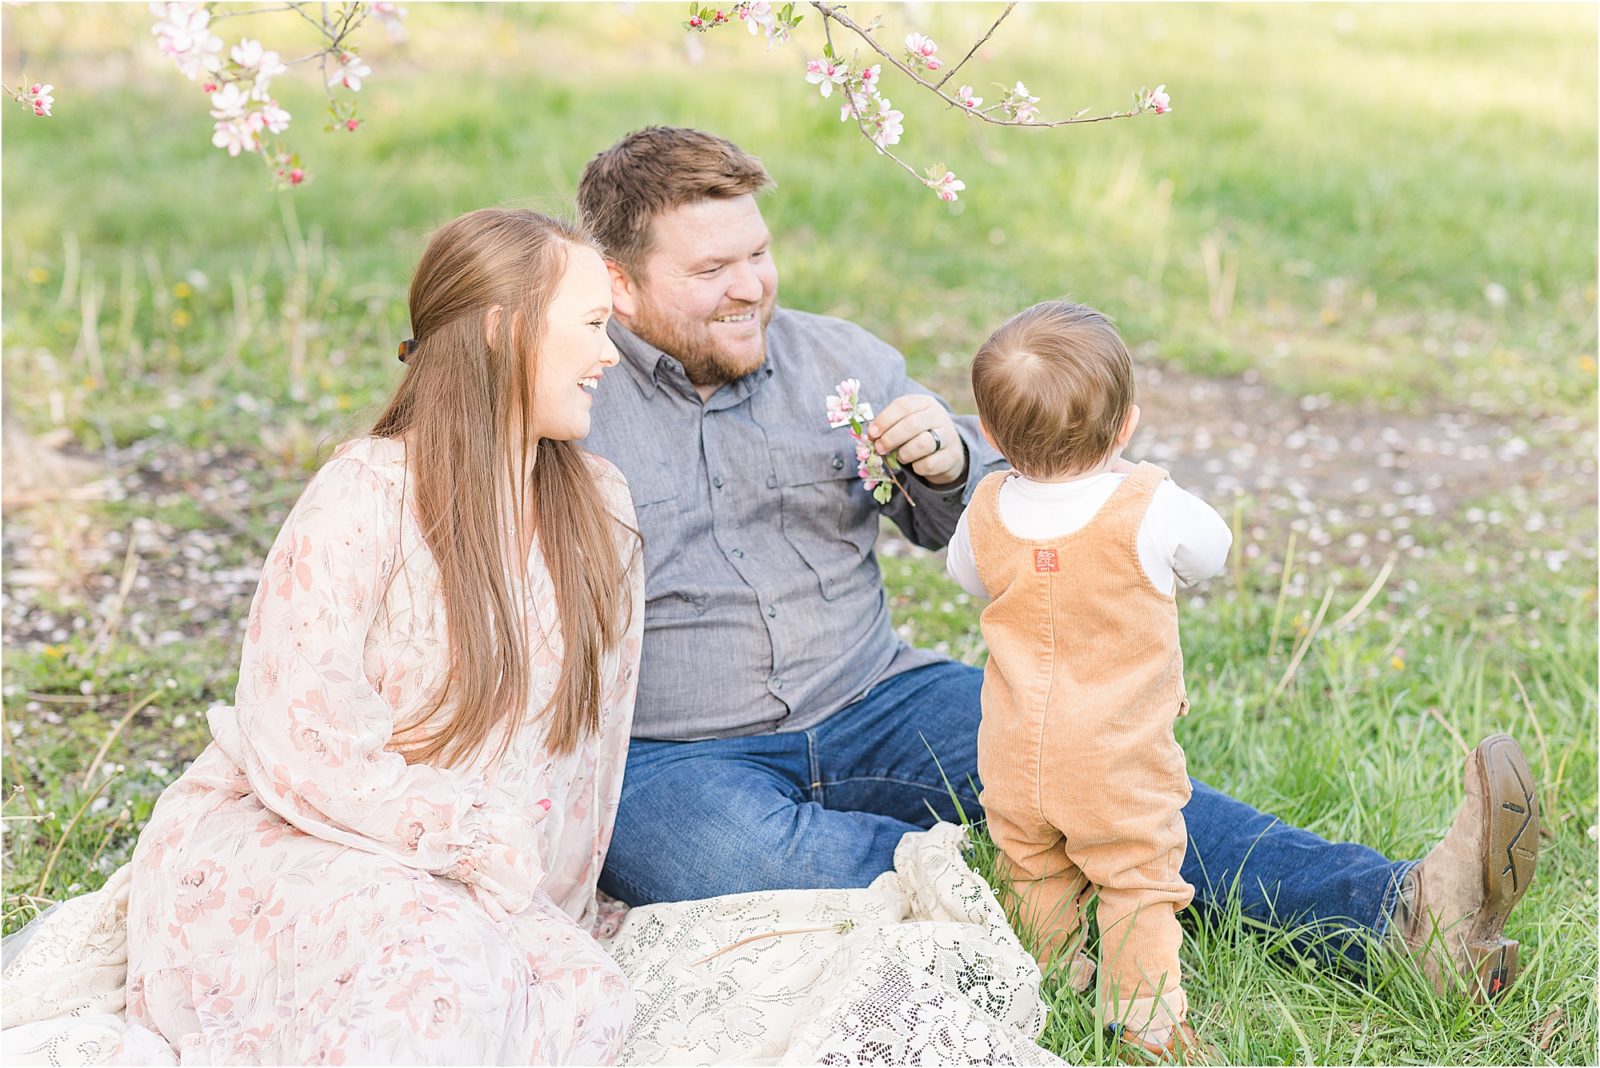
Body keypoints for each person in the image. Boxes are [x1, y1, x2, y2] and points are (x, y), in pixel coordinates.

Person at [575, 126, 1540, 1004]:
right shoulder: (570, 399)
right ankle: (1043, 906)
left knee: (1107, 775)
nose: (751, 286)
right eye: (712, 269)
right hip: (675, 749)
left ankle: (1406, 918)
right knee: (711, 859)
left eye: (758, 253)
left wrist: (951, 463)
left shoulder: (841, 360)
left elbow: (1009, 502)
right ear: (619, 283)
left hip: (878, 695)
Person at [120, 209, 644, 1065]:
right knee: (430, 974)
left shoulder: (602, 511)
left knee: (585, 996)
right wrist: (469, 836)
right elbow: (300, 740)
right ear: (503, 331)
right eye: (591, 326)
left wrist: (552, 903)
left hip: (471, 876)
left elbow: (591, 752)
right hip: (308, 836)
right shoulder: (365, 494)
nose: (610, 355)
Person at [944, 300, 1233, 1057]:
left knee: (1031, 869)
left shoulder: (987, 508)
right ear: (1127, 425)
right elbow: (1213, 552)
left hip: (1012, 752)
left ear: (991, 435)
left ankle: (1044, 982)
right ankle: (1144, 1021)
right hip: (1116, 756)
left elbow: (967, 576)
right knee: (1137, 880)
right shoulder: (1148, 506)